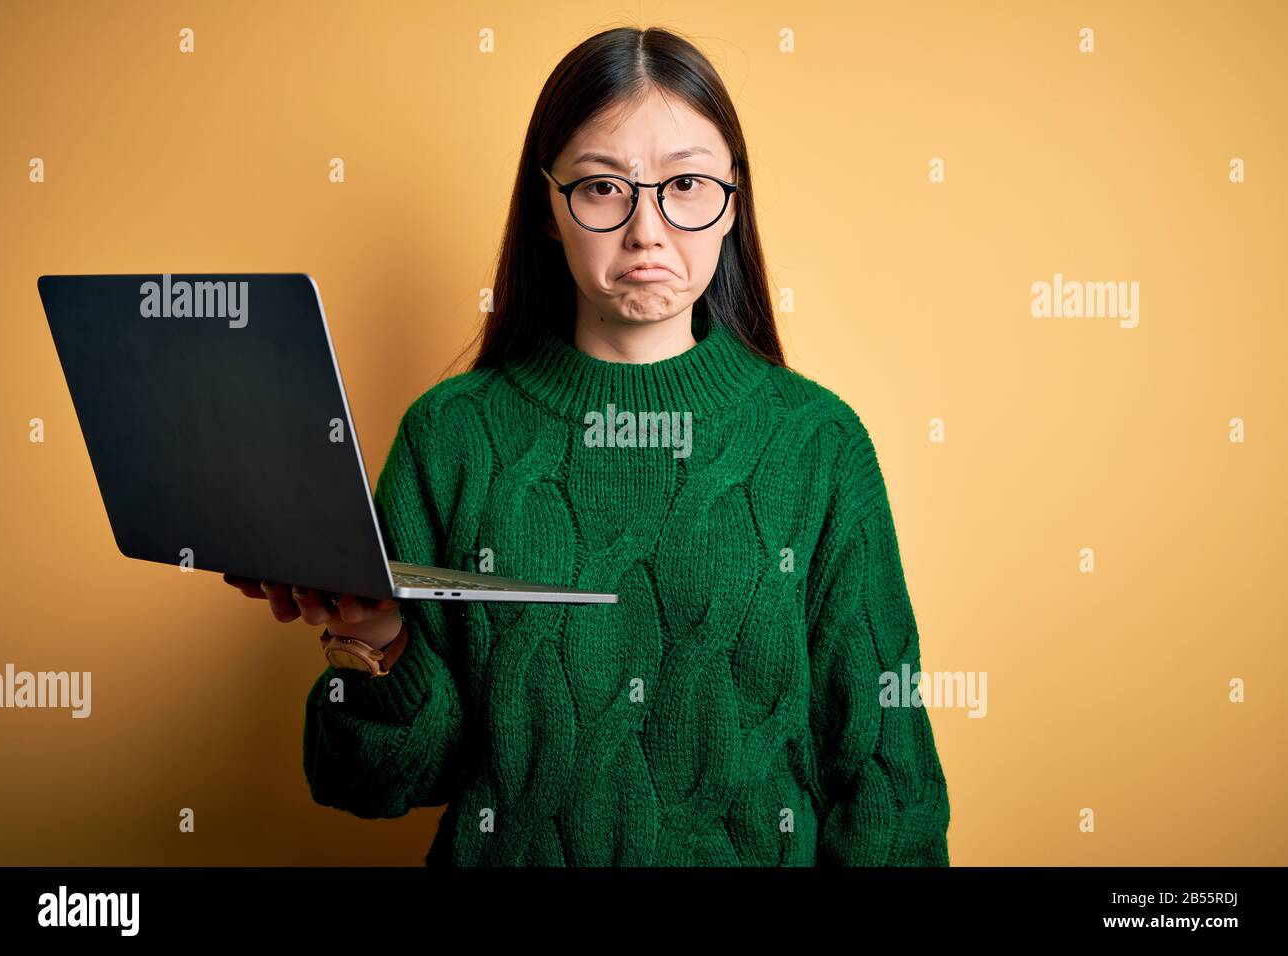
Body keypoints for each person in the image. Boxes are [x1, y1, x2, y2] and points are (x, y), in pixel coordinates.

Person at [226, 25, 950, 866]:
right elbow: (372, 783)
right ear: (548, 206)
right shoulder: (450, 438)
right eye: (604, 187)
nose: (647, 229)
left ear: (733, 199)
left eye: (685, 183)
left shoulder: (820, 446)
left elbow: (888, 788)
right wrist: (378, 639)